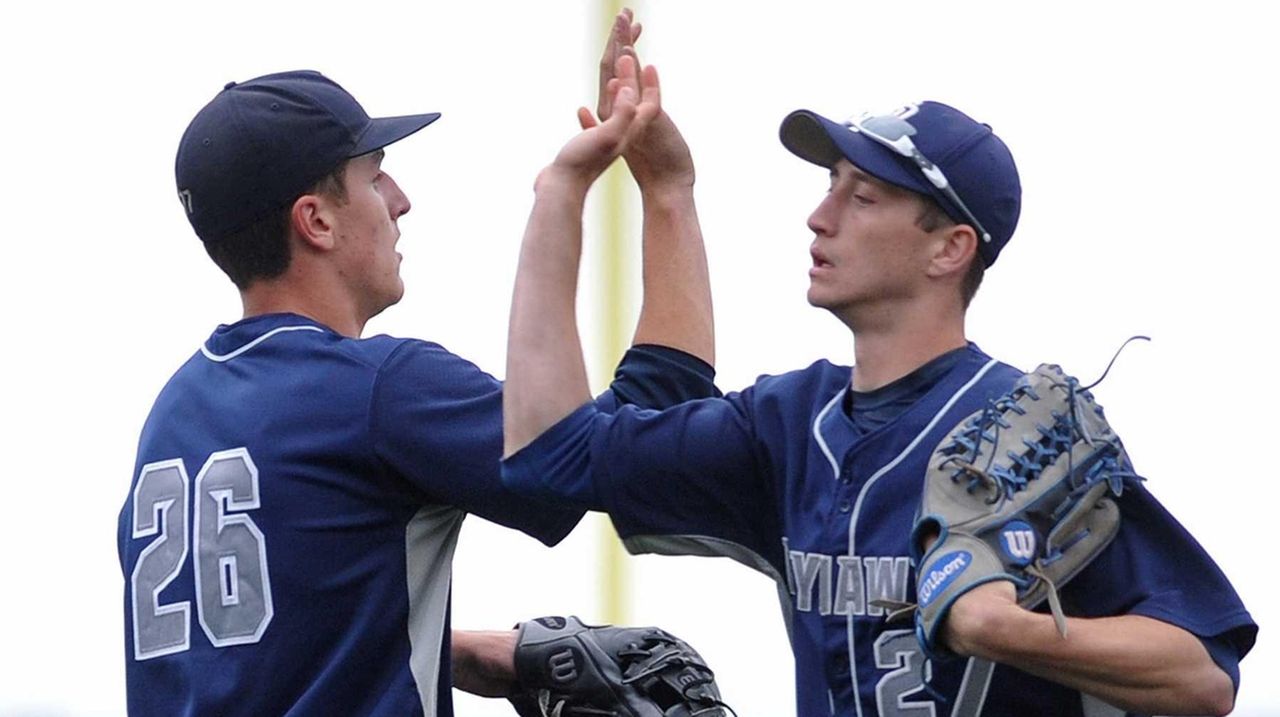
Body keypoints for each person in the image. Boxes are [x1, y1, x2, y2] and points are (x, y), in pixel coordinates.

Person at [501, 11, 1257, 717]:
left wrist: (998, 627)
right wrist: (633, 192)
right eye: (830, 185)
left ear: (949, 248)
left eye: (861, 196)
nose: (820, 214)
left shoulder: (1023, 432)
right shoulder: (787, 426)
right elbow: (553, 457)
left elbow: (1202, 672)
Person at [117, 64, 711, 716]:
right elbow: (643, 452)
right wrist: (667, 194)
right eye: (374, 176)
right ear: (316, 221)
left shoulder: (173, 414)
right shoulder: (379, 390)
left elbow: (257, 636)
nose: (400, 200)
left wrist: (469, 650)